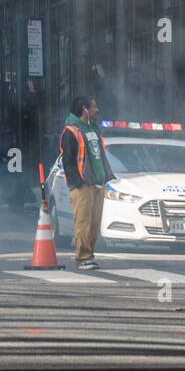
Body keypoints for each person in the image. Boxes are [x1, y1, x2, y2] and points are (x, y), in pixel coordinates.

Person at [58, 95, 115, 269]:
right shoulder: (71, 131)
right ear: (84, 110)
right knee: (83, 223)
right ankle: (81, 258)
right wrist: (77, 183)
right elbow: (68, 161)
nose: (97, 110)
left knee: (94, 224)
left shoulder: (93, 129)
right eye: (93, 107)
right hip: (83, 186)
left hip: (97, 184)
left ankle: (89, 255)